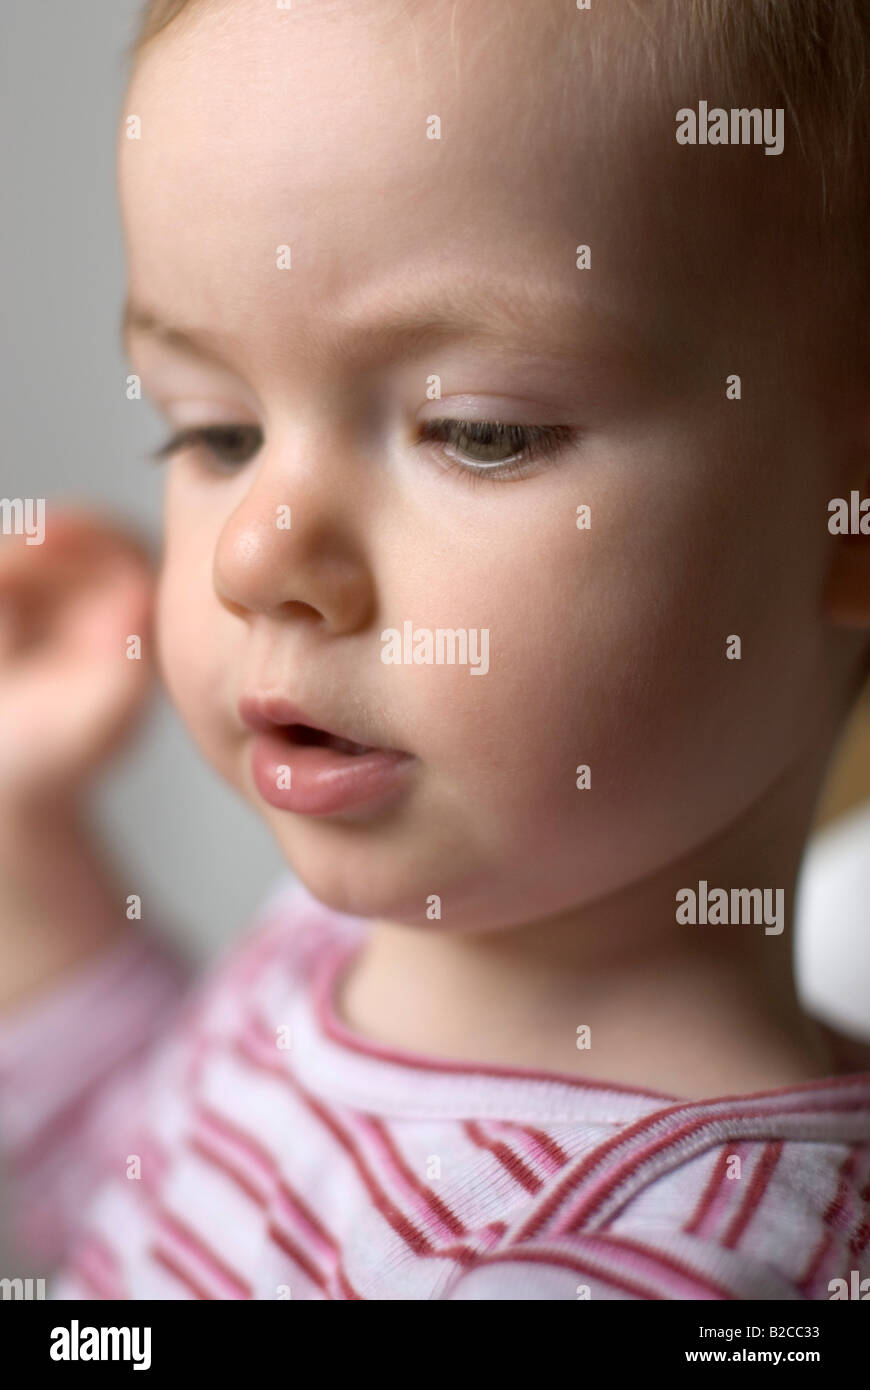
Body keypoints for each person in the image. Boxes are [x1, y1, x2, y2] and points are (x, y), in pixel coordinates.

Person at [1, 0, 869, 1299]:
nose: (252, 555)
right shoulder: (321, 945)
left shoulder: (673, 1257)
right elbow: (127, 1188)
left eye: (477, 432)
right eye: (215, 433)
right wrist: (26, 813)